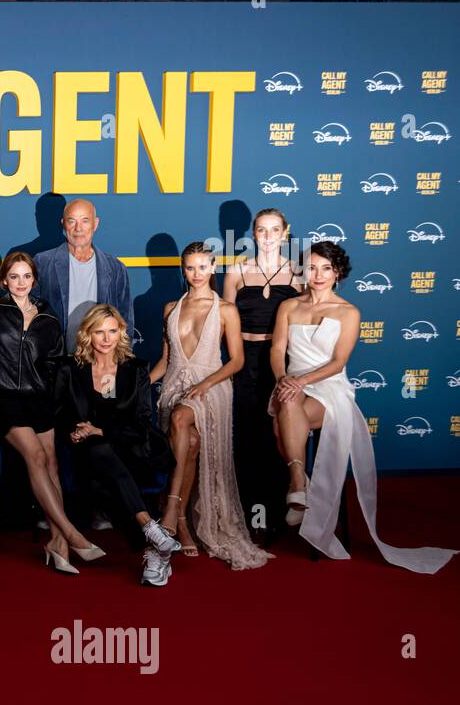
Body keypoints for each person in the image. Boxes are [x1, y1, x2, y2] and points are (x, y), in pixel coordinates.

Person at [269, 243, 455, 573]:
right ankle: (300, 481)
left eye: (325, 268)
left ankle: (298, 484)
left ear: (337, 272)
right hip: (293, 385)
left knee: (285, 408)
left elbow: (339, 362)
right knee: (287, 403)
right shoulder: (288, 306)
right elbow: (277, 350)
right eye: (311, 267)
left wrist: (298, 382)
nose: (317, 275)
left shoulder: (349, 312)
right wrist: (284, 378)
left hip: (329, 388)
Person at [0, 249, 102, 575]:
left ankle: (57, 544)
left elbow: (52, 364)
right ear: (3, 279)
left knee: (52, 463)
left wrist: (53, 400)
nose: (20, 282)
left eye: (26, 276)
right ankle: (71, 533)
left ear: (34, 279)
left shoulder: (48, 317)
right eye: (14, 276)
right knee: (36, 457)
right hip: (1, 400)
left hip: (38, 401)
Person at [149, 243, 270, 570]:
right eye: (190, 268)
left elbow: (237, 361)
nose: (196, 274)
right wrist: (140, 384)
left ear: (212, 268)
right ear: (183, 270)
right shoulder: (170, 308)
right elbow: (166, 360)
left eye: (203, 267)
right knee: (187, 443)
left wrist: (204, 384)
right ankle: (183, 522)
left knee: (180, 416)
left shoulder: (226, 309)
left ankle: (171, 511)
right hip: (174, 386)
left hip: (211, 388)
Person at [55, 306, 182, 586]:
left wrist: (99, 430)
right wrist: (73, 432)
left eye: (112, 331)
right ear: (88, 334)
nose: (106, 338)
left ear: (121, 333)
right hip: (88, 451)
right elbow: (60, 413)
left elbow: (141, 422)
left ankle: (149, 538)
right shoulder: (70, 369)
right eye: (99, 331)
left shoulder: (134, 370)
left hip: (131, 447)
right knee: (97, 454)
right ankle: (154, 541)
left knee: (101, 475)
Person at [223, 207, 302, 539]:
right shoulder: (236, 272)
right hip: (244, 362)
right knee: (246, 437)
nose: (267, 237)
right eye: (261, 230)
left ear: (285, 233)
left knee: (280, 436)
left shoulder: (299, 274)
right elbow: (225, 322)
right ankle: (249, 515)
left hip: (282, 363)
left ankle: (283, 510)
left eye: (273, 230)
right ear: (252, 234)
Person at [34, 198, 134, 353]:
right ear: (63, 223)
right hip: (55, 361)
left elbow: (125, 322)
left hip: (99, 362)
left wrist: (117, 363)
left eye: (85, 221)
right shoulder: (42, 263)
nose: (78, 228)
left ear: (96, 223)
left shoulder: (115, 268)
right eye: (71, 221)